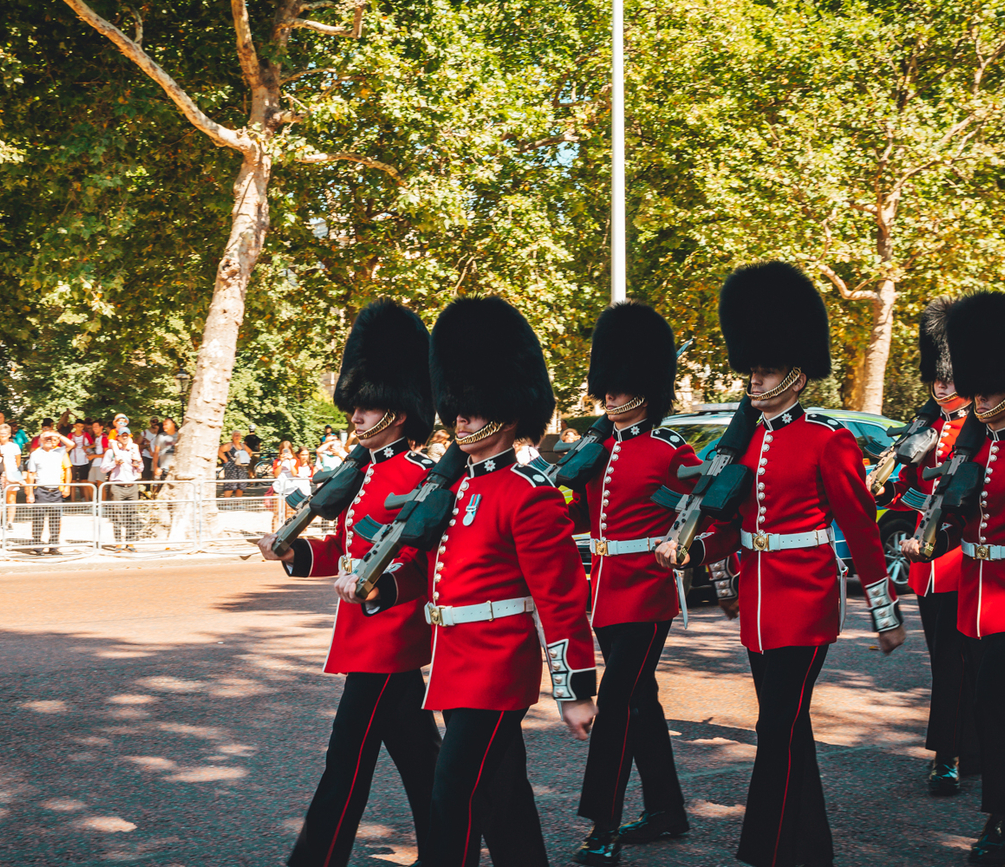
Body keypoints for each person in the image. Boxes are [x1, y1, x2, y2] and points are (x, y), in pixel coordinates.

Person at [655, 262, 905, 867]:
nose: (754, 377)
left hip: (806, 599)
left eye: (764, 369)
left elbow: (859, 530)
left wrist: (883, 610)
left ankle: (765, 850)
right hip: (760, 601)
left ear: (796, 373)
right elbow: (729, 527)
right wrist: (692, 551)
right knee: (785, 728)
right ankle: (808, 846)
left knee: (778, 727)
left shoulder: (829, 439)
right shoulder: (741, 442)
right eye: (752, 368)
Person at [355, 295, 598, 867]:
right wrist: (381, 588)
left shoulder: (529, 492)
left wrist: (575, 689)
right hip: (455, 662)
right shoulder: (456, 488)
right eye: (455, 408)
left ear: (508, 411)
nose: (459, 418)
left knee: (453, 801)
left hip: (496, 667)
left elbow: (560, 598)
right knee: (505, 801)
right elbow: (425, 572)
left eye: (471, 408)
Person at [259, 299, 442, 867]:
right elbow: (343, 549)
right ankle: (450, 849)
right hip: (367, 638)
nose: (356, 418)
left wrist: (377, 591)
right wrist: (293, 551)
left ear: (399, 410)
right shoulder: (361, 474)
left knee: (347, 761)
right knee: (422, 762)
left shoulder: (416, 477)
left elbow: (417, 565)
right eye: (355, 408)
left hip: (387, 641)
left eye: (367, 408)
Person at [903, 292, 1005, 865]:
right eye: (974, 386)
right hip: (976, 595)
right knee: (998, 701)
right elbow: (959, 518)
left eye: (985, 386)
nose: (977, 395)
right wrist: (924, 537)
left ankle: (1001, 819)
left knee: (991, 698)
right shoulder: (972, 453)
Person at [565, 302, 701, 866]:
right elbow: (571, 511)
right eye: (607, 389)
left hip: (647, 592)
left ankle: (604, 825)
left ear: (645, 389)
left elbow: (703, 509)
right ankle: (667, 809)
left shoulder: (672, 451)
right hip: (604, 591)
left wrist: (682, 546)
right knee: (641, 700)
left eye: (620, 387)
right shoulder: (598, 450)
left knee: (617, 702)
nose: (610, 396)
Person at [873, 297, 979, 796]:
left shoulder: (981, 429)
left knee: (966, 660)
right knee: (946, 659)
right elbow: (906, 489)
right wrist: (889, 481)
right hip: (927, 562)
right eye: (937, 375)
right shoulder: (926, 425)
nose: (942, 383)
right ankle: (956, 751)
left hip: (965, 559)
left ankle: (958, 750)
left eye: (951, 375)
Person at [24, 430, 71, 555]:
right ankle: (38, 546)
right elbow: (31, 474)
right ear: (40, 440)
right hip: (41, 489)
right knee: (39, 519)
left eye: (51, 439)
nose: (49, 440)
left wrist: (58, 435)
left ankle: (54, 546)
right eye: (46, 438)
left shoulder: (58, 451)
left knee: (55, 519)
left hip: (55, 490)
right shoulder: (36, 454)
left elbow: (71, 445)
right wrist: (30, 493)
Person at [101, 425, 144, 551]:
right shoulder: (111, 452)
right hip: (117, 486)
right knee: (117, 515)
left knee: (132, 515)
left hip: (132, 485)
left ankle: (130, 542)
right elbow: (103, 468)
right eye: (122, 435)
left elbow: (141, 469)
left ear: (129, 437)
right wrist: (114, 463)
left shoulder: (134, 451)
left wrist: (138, 462)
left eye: (127, 435)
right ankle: (118, 542)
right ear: (118, 437)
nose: (124, 437)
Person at [0, 423, 23, 530]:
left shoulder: (14, 446)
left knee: (11, 499)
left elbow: (18, 460)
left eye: (5, 434)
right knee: (0, 499)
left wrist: (12, 472)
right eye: (0, 433)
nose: (2, 435)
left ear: (9, 434)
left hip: (11, 473)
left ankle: (10, 522)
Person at [218, 431, 252, 499]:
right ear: (232, 437)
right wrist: (225, 459)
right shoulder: (229, 445)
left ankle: (238, 502)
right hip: (231, 467)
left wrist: (246, 459)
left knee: (241, 485)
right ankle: (226, 503)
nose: (237, 437)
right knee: (230, 485)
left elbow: (250, 452)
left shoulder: (243, 446)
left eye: (238, 435)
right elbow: (219, 450)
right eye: (235, 435)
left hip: (241, 467)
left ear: (241, 437)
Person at [67, 421, 93, 501]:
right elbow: (65, 445)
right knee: (73, 483)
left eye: (81, 426)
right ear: (74, 426)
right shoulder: (70, 435)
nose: (79, 428)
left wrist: (86, 447)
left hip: (84, 461)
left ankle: (87, 502)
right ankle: (73, 503)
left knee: (84, 483)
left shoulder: (86, 435)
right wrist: (71, 446)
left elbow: (93, 444)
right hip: (72, 461)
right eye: (78, 426)